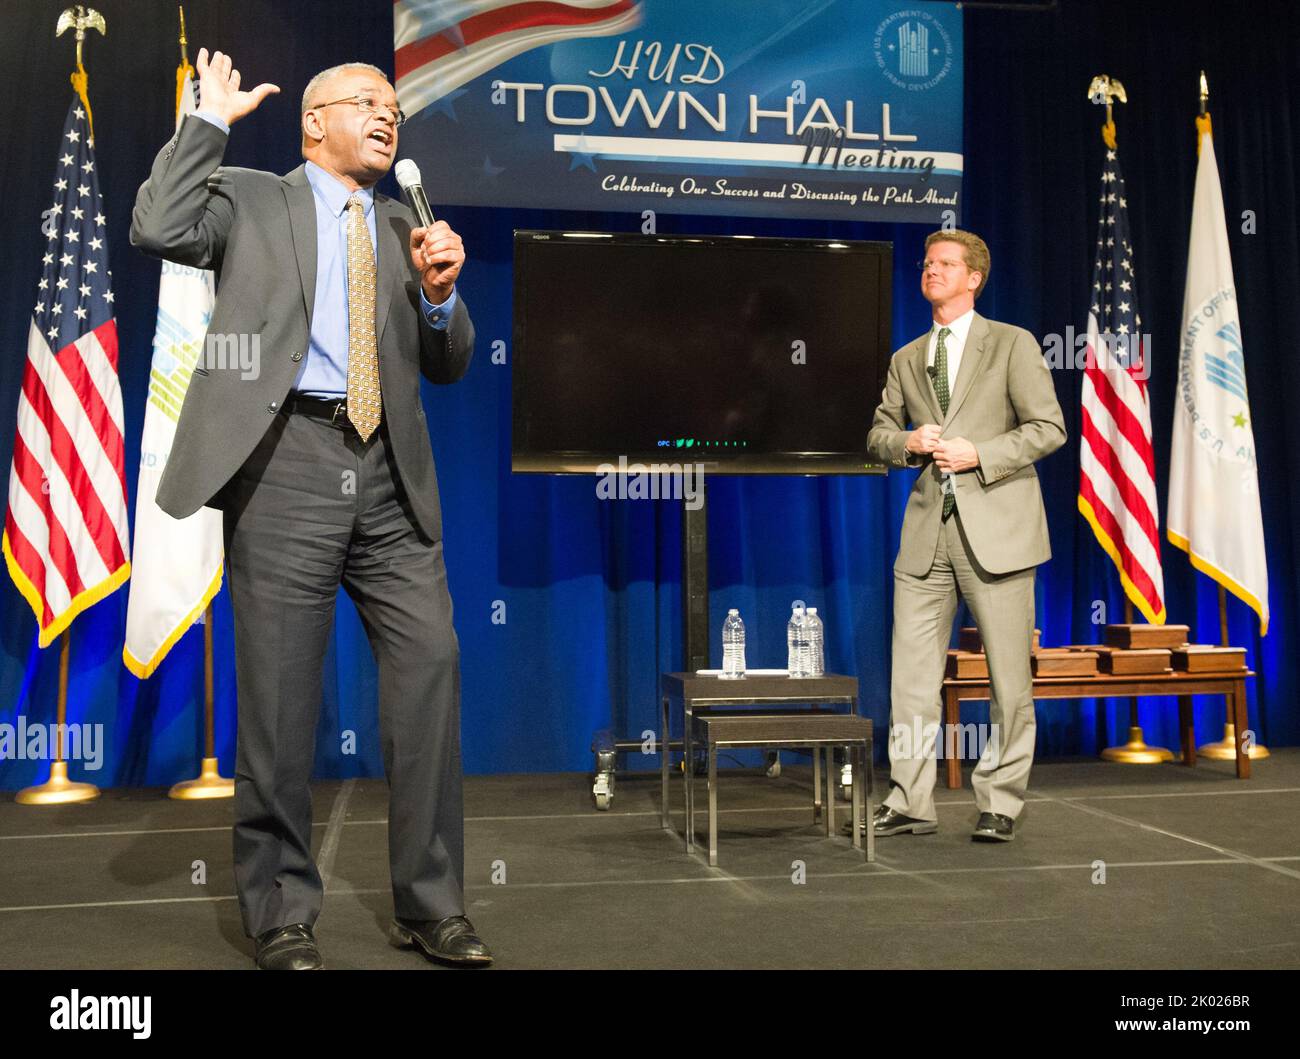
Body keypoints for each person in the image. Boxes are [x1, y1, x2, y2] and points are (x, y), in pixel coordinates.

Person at [131, 50, 491, 967]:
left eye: (395, 107)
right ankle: (280, 909)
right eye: (366, 102)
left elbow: (447, 363)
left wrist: (443, 298)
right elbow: (157, 222)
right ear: (312, 121)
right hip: (286, 458)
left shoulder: (407, 219)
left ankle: (432, 901)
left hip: (389, 473)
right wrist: (204, 123)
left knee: (430, 670)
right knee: (281, 701)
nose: (387, 116)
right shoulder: (254, 195)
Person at [863, 230, 1065, 842]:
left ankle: (1000, 801)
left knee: (1008, 679)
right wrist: (907, 443)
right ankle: (909, 800)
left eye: (945, 264)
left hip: (997, 532)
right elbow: (877, 434)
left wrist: (982, 452)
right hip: (928, 536)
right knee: (912, 679)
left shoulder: (1011, 344)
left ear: (974, 277)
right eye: (927, 264)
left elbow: (1047, 427)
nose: (932, 271)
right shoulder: (907, 357)